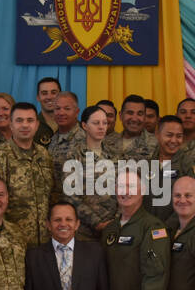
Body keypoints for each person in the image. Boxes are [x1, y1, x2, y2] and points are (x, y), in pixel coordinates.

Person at [0, 102, 54, 246]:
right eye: (19, 120)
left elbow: (53, 195)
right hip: (13, 243)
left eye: (30, 120)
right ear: (11, 124)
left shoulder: (44, 155)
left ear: (37, 125)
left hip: (45, 242)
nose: (25, 125)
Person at [62, 105, 119, 240]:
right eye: (95, 123)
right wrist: (97, 223)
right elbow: (71, 196)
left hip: (114, 227)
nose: (101, 127)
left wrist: (115, 220)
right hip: (84, 230)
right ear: (84, 126)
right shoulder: (74, 155)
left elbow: (124, 190)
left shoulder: (115, 154)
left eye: (104, 123)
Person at [47, 91, 83, 180]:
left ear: (77, 112)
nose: (61, 113)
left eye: (67, 109)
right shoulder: (53, 138)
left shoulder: (85, 139)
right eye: (57, 108)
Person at [112, 94, 157, 159]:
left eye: (140, 114)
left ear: (144, 117)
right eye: (130, 113)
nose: (134, 119)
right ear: (120, 115)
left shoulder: (157, 145)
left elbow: (167, 168)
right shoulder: (107, 143)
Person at [34, 77, 61, 146]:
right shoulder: (31, 126)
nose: (49, 97)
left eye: (53, 92)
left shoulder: (74, 126)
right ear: (38, 97)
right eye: (44, 93)